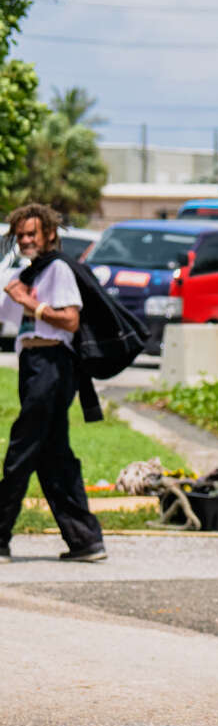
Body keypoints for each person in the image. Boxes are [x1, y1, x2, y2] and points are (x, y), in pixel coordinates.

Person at [0, 203, 105, 563]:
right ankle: (85, 540)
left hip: (52, 365)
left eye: (33, 233)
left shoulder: (58, 269)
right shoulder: (31, 271)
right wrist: (18, 295)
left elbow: (70, 321)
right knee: (53, 456)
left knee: (20, 451)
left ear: (48, 234)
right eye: (21, 235)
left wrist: (29, 303)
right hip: (33, 363)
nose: (26, 240)